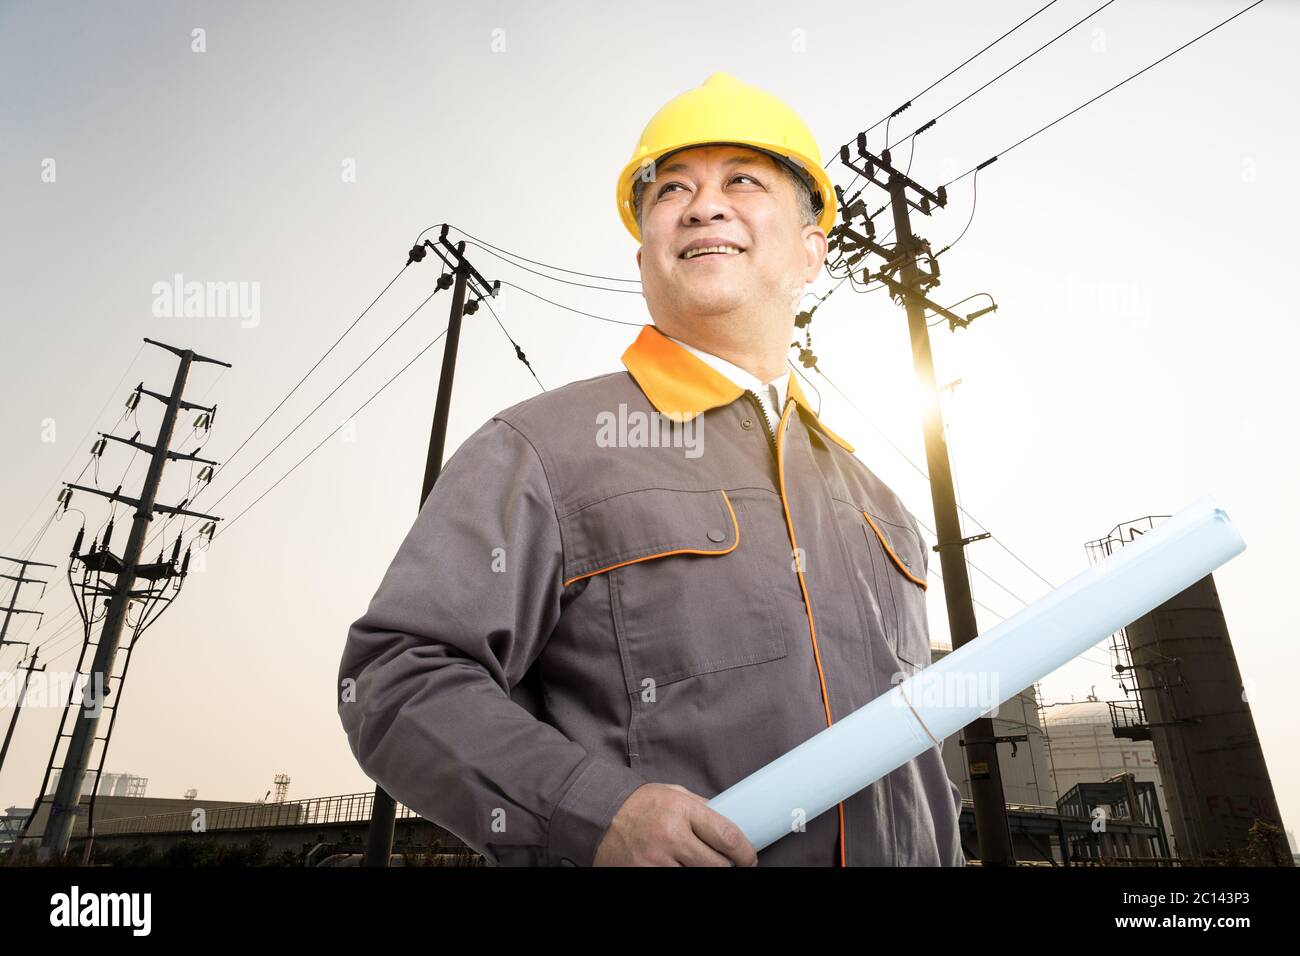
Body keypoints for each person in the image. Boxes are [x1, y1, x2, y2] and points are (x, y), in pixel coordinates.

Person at [337, 72, 966, 867]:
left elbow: (914, 765)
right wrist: (592, 813)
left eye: (743, 178)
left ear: (814, 252)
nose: (704, 204)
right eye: (673, 189)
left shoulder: (881, 505)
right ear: (645, 256)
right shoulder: (544, 448)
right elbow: (394, 679)